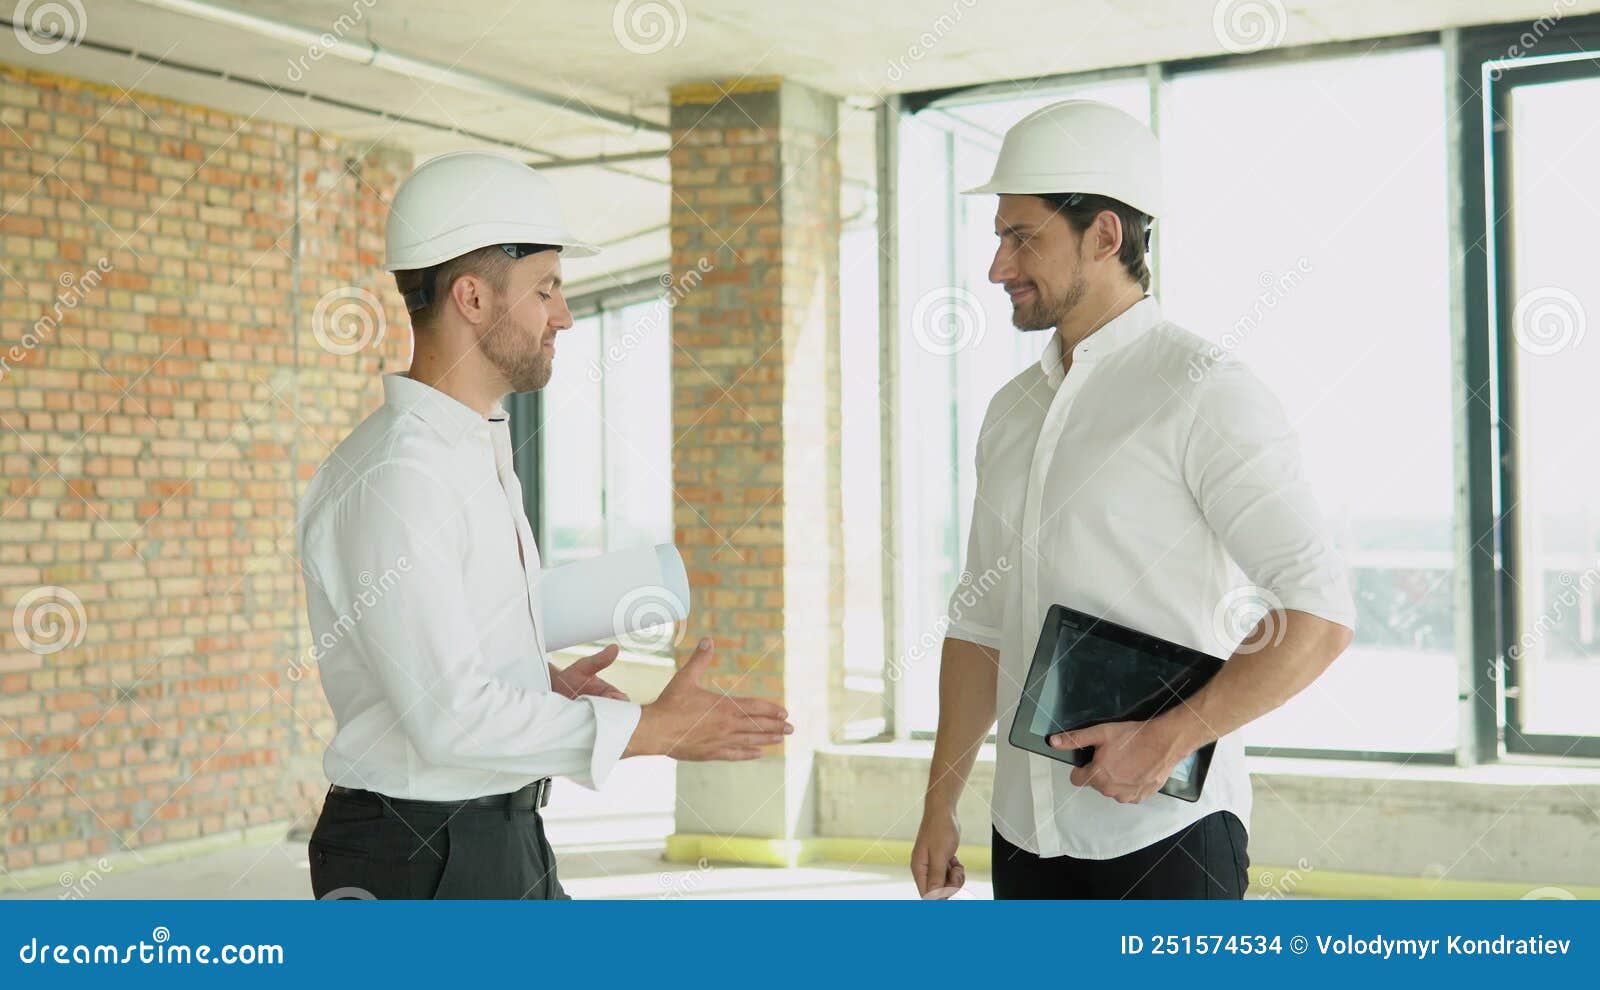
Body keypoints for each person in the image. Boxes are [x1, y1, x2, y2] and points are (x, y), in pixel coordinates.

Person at [297, 151, 792, 900]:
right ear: (471, 297)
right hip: (423, 857)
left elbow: (439, 664)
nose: (562, 314)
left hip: (495, 831)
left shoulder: (469, 448)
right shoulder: (402, 474)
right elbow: (447, 718)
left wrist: (535, 677)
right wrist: (654, 730)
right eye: (546, 289)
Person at [909, 101, 1355, 900]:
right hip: (1024, 840)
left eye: (1023, 238)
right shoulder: (1011, 412)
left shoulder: (1205, 392)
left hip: (1164, 845)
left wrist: (1170, 739)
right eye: (999, 239)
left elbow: (1317, 613)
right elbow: (979, 626)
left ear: (1106, 235)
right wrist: (939, 803)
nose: (998, 269)